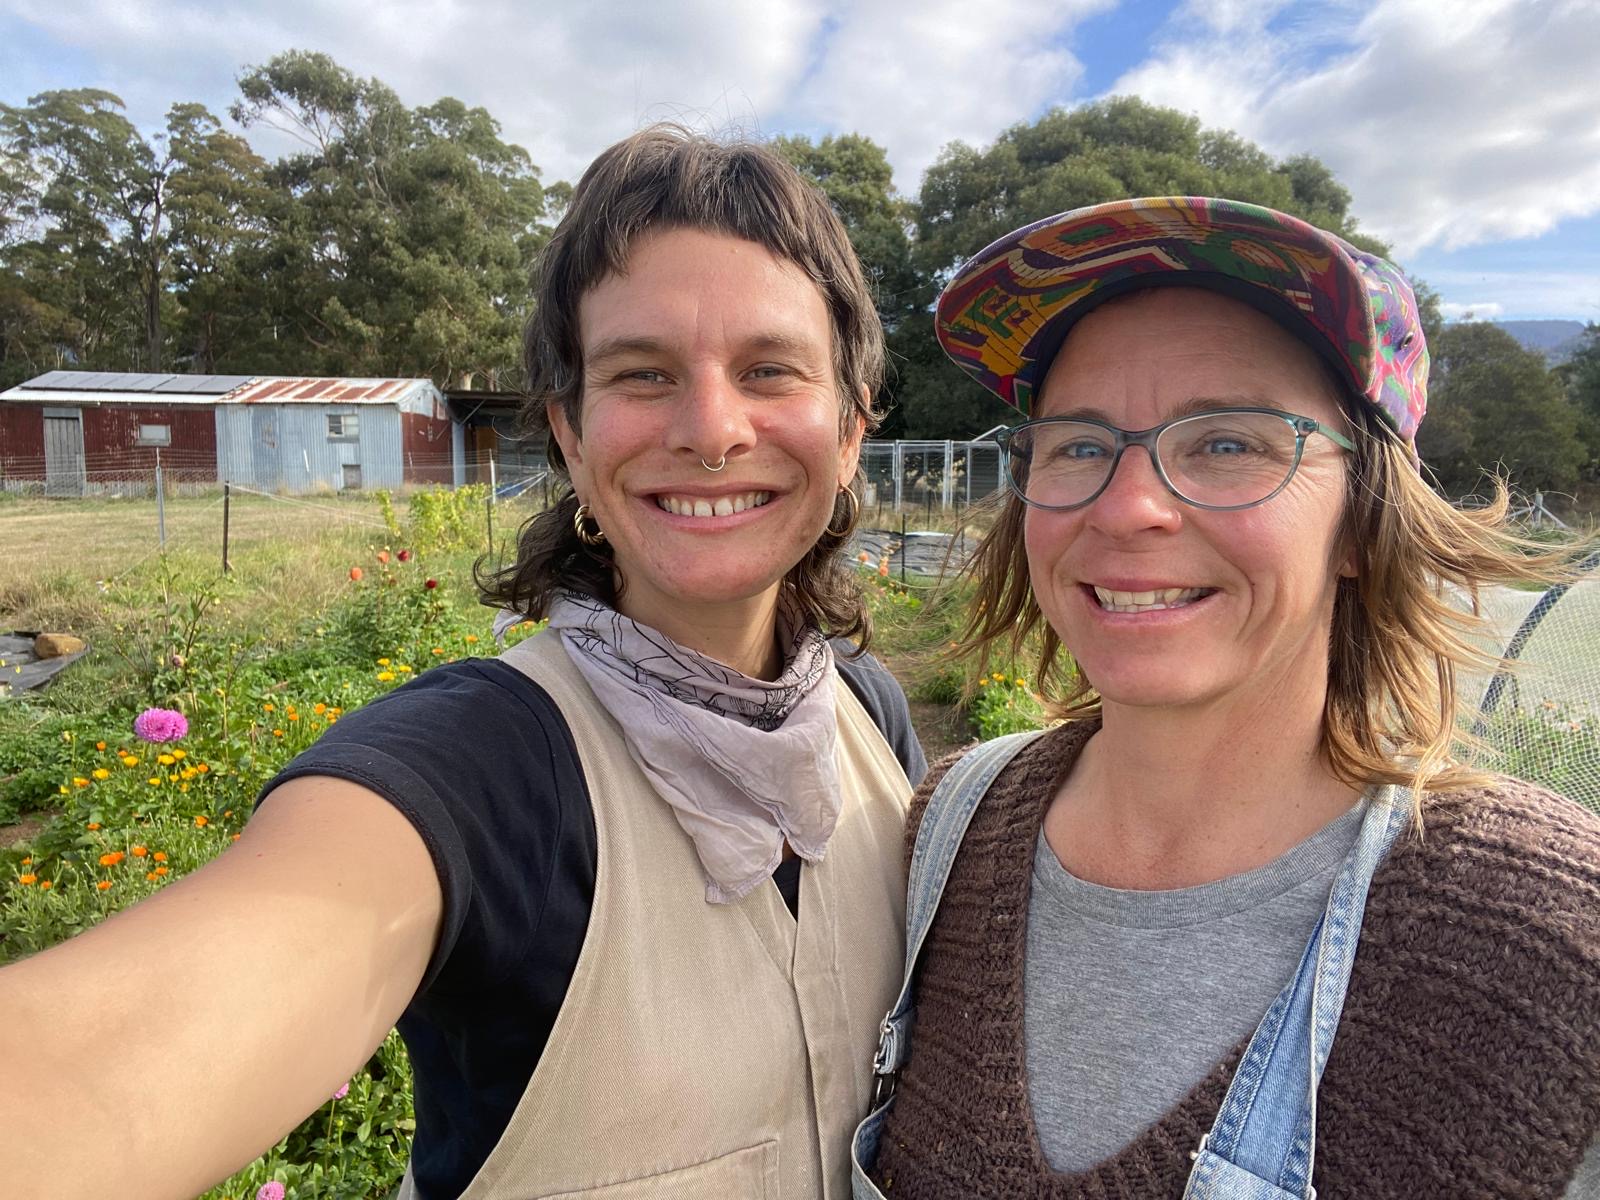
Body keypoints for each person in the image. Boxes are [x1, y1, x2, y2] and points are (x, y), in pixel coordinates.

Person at [0, 126, 925, 1200]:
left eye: (769, 369)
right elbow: (105, 1072)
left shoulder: (870, 715)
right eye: (642, 372)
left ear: (851, 430)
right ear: (571, 437)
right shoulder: (481, 766)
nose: (711, 428)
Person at [854, 197, 1600, 1198]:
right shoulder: (952, 828)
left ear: (1360, 520)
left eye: (1227, 443)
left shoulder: (1553, 943)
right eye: (1076, 444)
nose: (1128, 508)